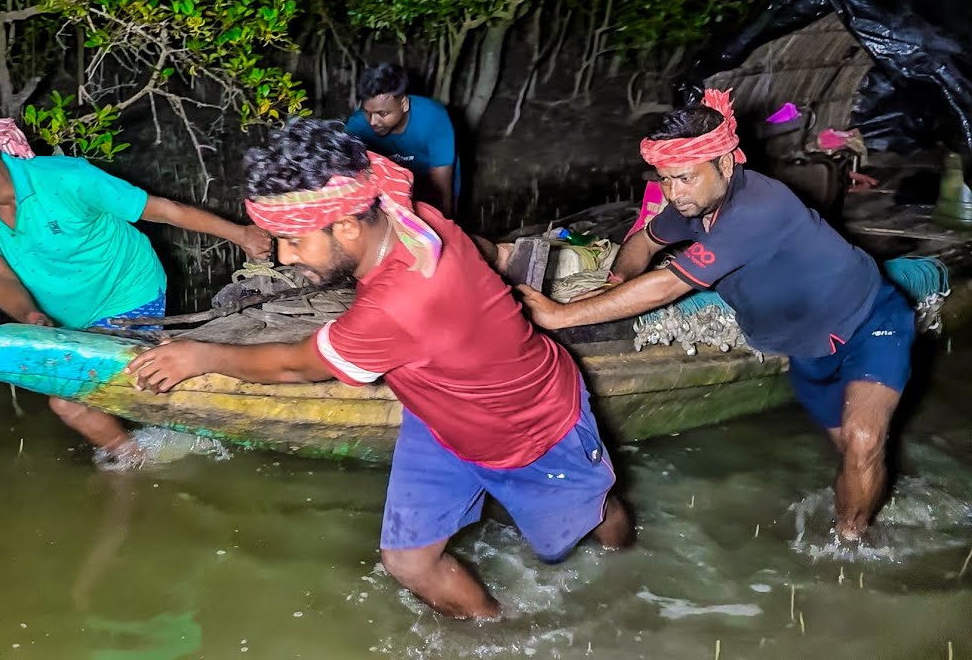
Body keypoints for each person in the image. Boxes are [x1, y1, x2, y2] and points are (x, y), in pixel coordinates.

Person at [123, 118, 632, 619]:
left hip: (530, 429)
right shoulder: (406, 213)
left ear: (346, 226)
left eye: (294, 241)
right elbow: (473, 247)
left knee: (592, 516)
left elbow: (296, 367)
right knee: (409, 562)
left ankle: (629, 568)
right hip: (440, 416)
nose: (281, 256)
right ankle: (493, 637)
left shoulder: (397, 303)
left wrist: (200, 355)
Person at [517, 90, 915, 542]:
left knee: (863, 441)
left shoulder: (761, 206)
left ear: (725, 163)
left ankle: (850, 547)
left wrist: (560, 315)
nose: (673, 193)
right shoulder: (693, 206)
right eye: (665, 180)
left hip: (869, 320)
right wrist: (617, 283)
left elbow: (669, 284)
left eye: (684, 178)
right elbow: (645, 241)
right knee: (849, 449)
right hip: (807, 349)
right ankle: (874, 505)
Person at [0, 106, 272, 470]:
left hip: (127, 289)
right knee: (87, 388)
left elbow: (165, 210)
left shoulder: (68, 179)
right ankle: (137, 454)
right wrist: (30, 315)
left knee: (71, 399)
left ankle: (139, 456)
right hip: (63, 311)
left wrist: (241, 234)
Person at [346, 64, 460, 217]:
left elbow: (441, 189)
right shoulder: (357, 127)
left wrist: (445, 225)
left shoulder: (434, 118)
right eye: (367, 112)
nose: (373, 121)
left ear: (404, 104)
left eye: (383, 113)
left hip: (430, 179)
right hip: (389, 184)